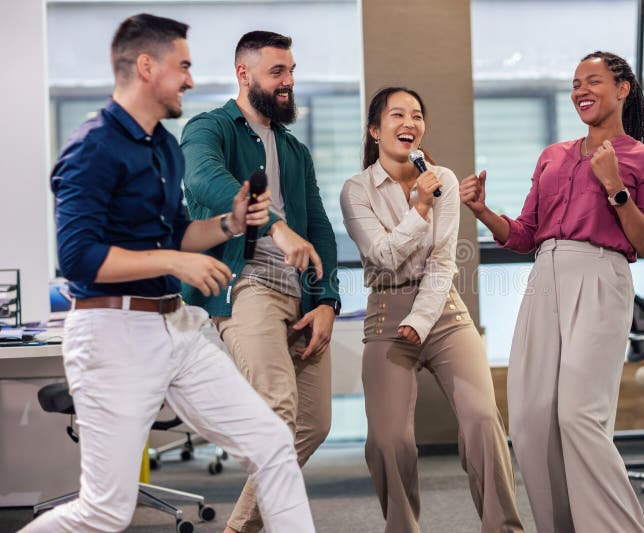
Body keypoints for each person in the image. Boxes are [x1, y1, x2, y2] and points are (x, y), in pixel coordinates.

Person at [20, 14, 314, 533]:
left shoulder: (160, 147)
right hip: (113, 334)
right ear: (146, 66)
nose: (191, 80)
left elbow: (180, 234)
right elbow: (79, 258)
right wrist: (175, 263)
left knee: (272, 443)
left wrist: (231, 221)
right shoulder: (92, 147)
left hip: (175, 327)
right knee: (105, 511)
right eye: (183, 66)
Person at [461, 51, 644, 533]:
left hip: (600, 277)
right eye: (575, 83)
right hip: (544, 280)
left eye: (592, 81)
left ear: (623, 89)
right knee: (531, 424)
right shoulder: (552, 155)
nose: (581, 90)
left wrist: (616, 187)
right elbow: (524, 234)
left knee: (580, 416)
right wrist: (483, 211)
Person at [340, 87, 524, 533]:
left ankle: (504, 528)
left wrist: (421, 322)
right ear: (374, 129)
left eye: (417, 115)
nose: (409, 123)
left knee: (483, 420)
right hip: (387, 312)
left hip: (443, 309)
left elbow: (443, 263)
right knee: (388, 441)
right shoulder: (356, 191)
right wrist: (419, 205)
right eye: (397, 115)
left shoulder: (441, 177)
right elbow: (382, 257)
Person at [180, 30, 339, 533]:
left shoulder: (293, 150)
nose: (288, 81)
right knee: (277, 410)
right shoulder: (209, 128)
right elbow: (202, 178)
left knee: (312, 425)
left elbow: (319, 229)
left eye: (291, 71)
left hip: (302, 296)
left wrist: (328, 302)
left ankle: (241, 527)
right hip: (247, 283)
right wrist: (274, 224)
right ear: (243, 74)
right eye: (278, 72)